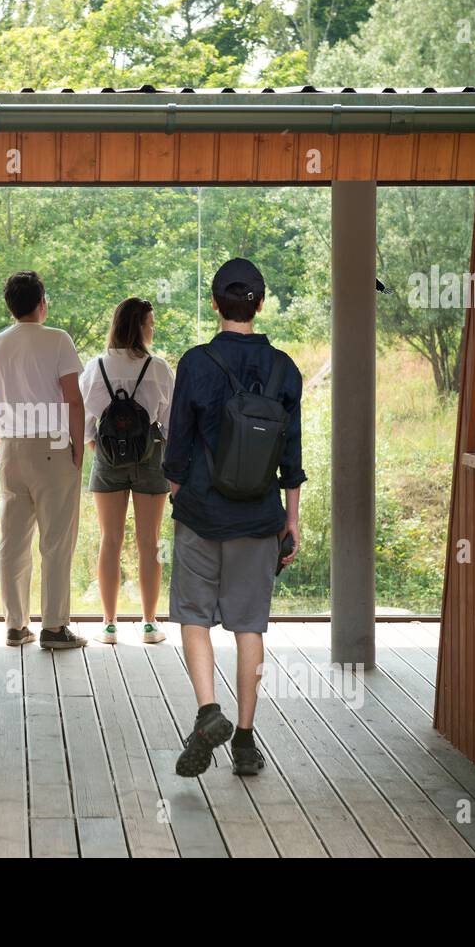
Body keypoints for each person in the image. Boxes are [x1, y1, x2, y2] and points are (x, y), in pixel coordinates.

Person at [163, 258, 305, 778]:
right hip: (259, 518)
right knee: (249, 628)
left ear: (216, 304)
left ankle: (208, 712)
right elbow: (292, 454)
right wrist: (290, 520)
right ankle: (245, 742)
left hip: (201, 513)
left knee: (194, 618)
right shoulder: (284, 369)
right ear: (260, 305)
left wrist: (180, 496)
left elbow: (177, 448)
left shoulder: (196, 364)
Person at [0, 270, 87, 650]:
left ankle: (16, 625)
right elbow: (72, 398)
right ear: (42, 303)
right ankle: (54, 628)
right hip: (53, 447)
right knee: (56, 541)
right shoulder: (58, 340)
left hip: (11, 449)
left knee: (13, 541)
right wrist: (77, 448)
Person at [79, 297, 175, 645]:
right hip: (151, 457)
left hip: (107, 459)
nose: (153, 328)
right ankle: (149, 624)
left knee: (110, 540)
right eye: (150, 322)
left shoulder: (95, 367)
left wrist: (100, 450)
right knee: (149, 543)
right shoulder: (159, 368)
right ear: (138, 327)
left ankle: (108, 624)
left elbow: (86, 423)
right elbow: (170, 423)